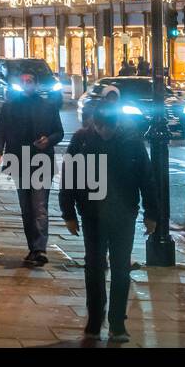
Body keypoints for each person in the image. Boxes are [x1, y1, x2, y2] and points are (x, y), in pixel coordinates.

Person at [59, 100, 157, 343]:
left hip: (123, 215)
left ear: (116, 124)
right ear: (94, 123)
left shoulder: (131, 141)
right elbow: (68, 177)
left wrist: (151, 213)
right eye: (101, 127)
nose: (105, 132)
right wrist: (68, 213)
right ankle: (94, 320)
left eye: (109, 127)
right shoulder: (82, 140)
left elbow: (147, 178)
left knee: (121, 268)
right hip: (91, 214)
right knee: (93, 267)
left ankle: (116, 323)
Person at [0, 72, 64, 267]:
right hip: (18, 161)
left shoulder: (48, 106)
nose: (26, 85)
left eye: (29, 81)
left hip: (41, 162)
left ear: (36, 84)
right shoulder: (10, 106)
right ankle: (33, 247)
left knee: (39, 205)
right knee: (26, 208)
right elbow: (0, 130)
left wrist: (48, 140)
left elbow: (59, 132)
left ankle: (40, 248)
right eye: (23, 82)